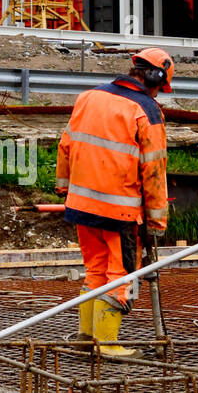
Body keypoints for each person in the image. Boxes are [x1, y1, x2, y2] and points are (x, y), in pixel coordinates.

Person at [56, 49, 171, 359]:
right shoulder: (147, 111)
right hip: (119, 212)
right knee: (122, 276)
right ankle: (107, 344)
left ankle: (86, 337)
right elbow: (154, 170)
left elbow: (66, 144)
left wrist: (63, 187)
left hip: (81, 205)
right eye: (161, 87)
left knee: (95, 270)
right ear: (155, 79)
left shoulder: (89, 97)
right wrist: (158, 223)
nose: (159, 94)